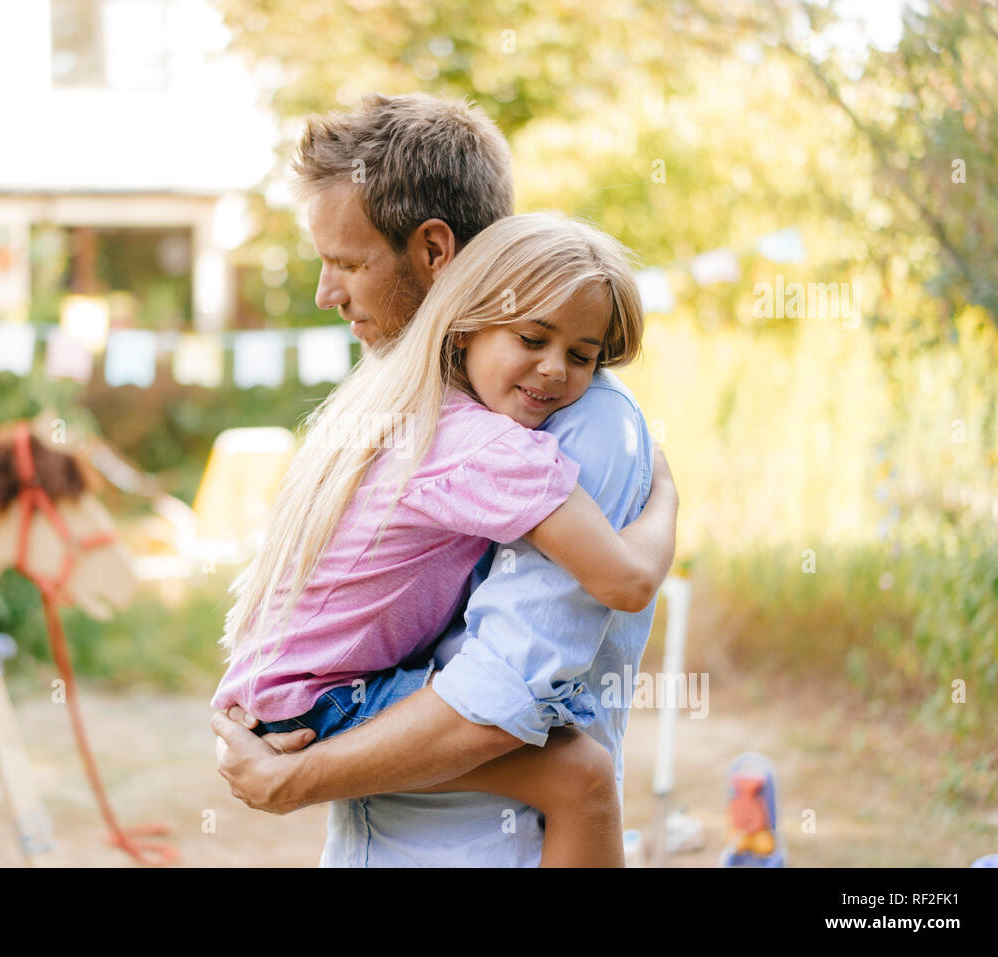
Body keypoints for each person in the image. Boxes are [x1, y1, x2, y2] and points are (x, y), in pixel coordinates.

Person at [211, 93, 677, 867]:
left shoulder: (552, 421)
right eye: (532, 337)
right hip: (334, 737)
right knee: (584, 780)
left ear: (433, 252)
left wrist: (292, 775)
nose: (327, 294)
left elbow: (497, 698)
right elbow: (628, 576)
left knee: (583, 779)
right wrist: (671, 495)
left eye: (347, 262)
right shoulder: (436, 413)